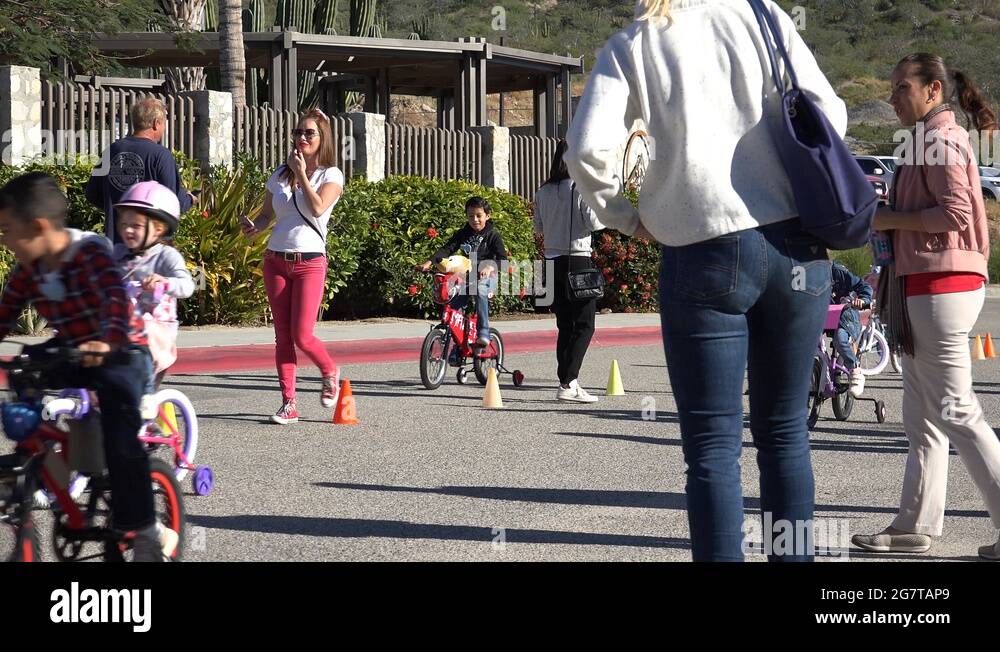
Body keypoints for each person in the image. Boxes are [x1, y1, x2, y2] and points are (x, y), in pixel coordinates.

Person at [564, 0, 847, 561]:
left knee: (713, 449)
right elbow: (830, 114)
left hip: (703, 251)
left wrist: (627, 217)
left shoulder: (636, 41)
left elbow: (587, 149)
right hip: (796, 246)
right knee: (786, 432)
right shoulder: (765, 16)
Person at [851, 53, 1000, 560]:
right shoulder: (929, 139)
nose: (892, 99)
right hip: (927, 287)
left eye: (901, 89)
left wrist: (889, 218)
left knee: (955, 410)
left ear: (933, 90)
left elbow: (955, 213)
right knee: (924, 417)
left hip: (942, 286)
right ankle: (914, 524)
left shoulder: (939, 140)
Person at [0, 171, 174, 561]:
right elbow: (5, 313)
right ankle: (46, 476)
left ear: (38, 227)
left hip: (122, 351)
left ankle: (145, 529)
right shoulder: (28, 268)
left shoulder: (89, 253)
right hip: (72, 349)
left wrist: (106, 340)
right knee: (23, 391)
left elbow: (115, 301)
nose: (5, 240)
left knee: (120, 440)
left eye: (8, 230)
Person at [241, 109, 345, 425]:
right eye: (298, 132)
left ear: (322, 138)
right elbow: (268, 214)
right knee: (282, 336)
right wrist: (254, 225)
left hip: (310, 261)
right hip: (275, 260)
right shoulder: (279, 173)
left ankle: (329, 371)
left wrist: (301, 174)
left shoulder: (331, 175)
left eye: (308, 133)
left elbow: (316, 208)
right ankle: (289, 403)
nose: (301, 138)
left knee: (303, 335)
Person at [533, 140, 605, 403]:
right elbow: (594, 223)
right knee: (585, 324)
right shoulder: (582, 189)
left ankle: (566, 378)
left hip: (552, 259)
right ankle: (569, 382)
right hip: (578, 259)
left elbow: (538, 227)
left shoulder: (543, 191)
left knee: (564, 324)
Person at [111, 180, 195, 405]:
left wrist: (164, 282)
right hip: (123, 329)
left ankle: (147, 412)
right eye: (124, 223)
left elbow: (187, 286)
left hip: (156, 334)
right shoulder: (118, 254)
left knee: (139, 393)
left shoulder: (166, 256)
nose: (127, 230)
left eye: (136, 225)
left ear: (158, 228)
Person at [85, 97, 194, 243]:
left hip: (116, 246)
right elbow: (174, 203)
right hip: (151, 249)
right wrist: (190, 200)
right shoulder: (161, 156)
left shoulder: (110, 151)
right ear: (156, 123)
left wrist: (118, 210)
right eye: (164, 122)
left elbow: (92, 193)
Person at [417, 197, 508, 349]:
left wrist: (490, 267)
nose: (475, 219)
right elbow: (447, 249)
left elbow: (503, 260)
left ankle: (483, 332)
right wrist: (429, 262)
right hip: (467, 277)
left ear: (488, 215)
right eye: (471, 216)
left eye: (479, 215)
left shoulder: (493, 235)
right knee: (453, 306)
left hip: (487, 277)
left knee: (480, 290)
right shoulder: (463, 233)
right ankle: (458, 347)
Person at [830, 261, 873, 398]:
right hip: (819, 315)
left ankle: (855, 369)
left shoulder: (836, 271)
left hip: (844, 316)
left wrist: (863, 299)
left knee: (840, 340)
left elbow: (863, 286)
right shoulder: (802, 272)